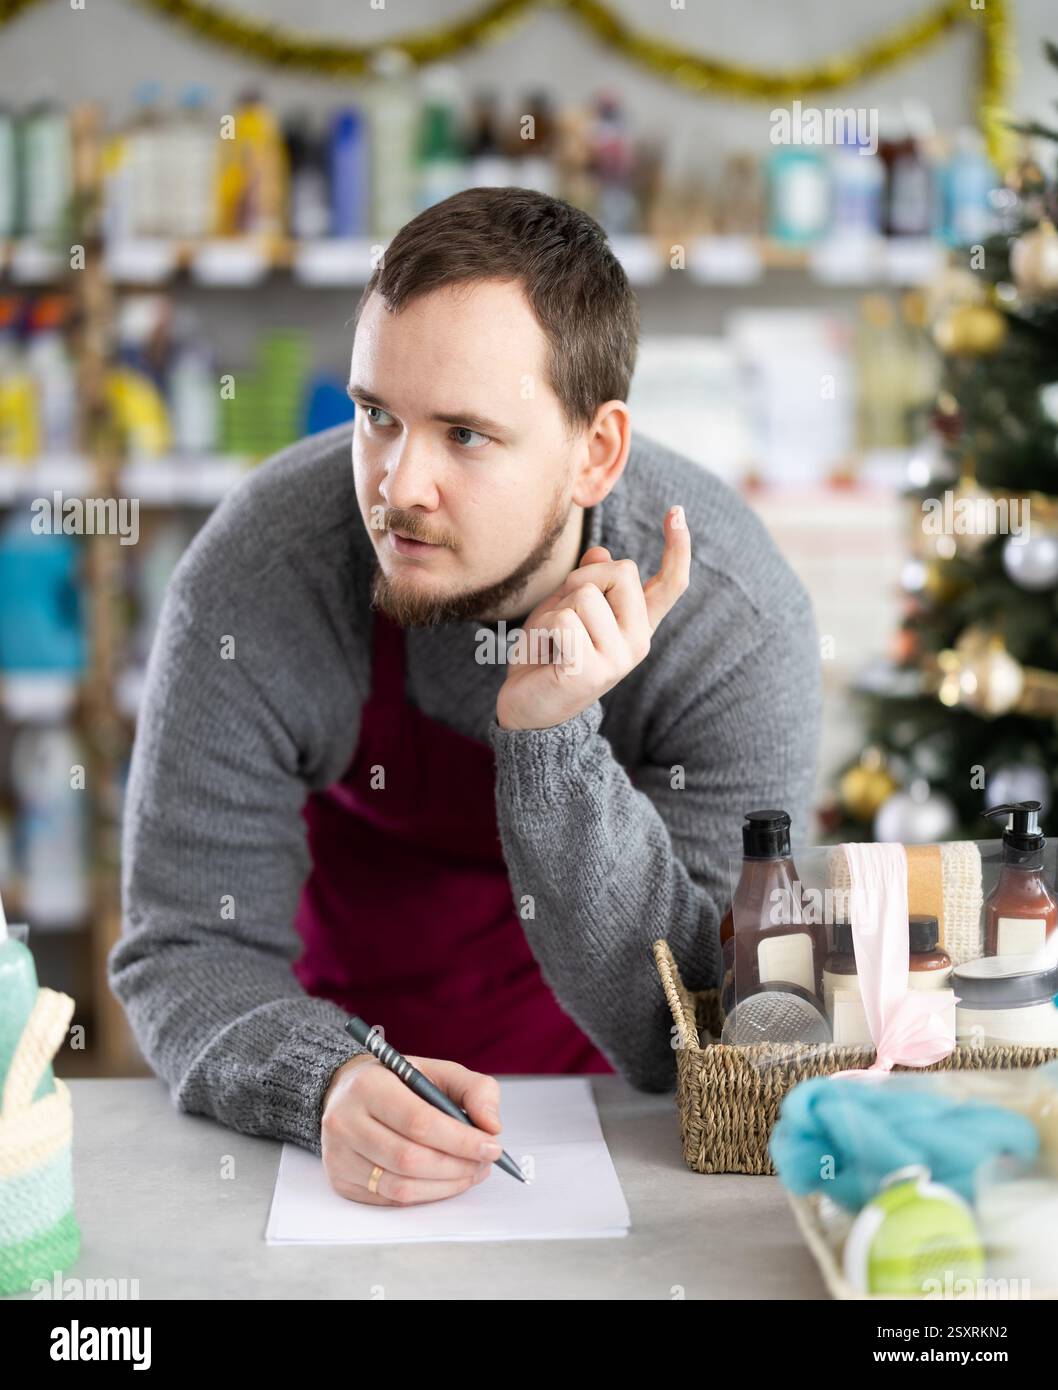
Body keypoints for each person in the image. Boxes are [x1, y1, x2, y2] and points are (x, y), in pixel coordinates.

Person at [110, 186, 822, 1207]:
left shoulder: (731, 624)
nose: (397, 487)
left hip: (617, 1131)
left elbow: (701, 1030)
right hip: (325, 1090)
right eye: (376, 417)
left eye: (465, 435)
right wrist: (321, 1076)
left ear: (596, 452)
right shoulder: (258, 577)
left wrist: (550, 734)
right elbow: (188, 942)